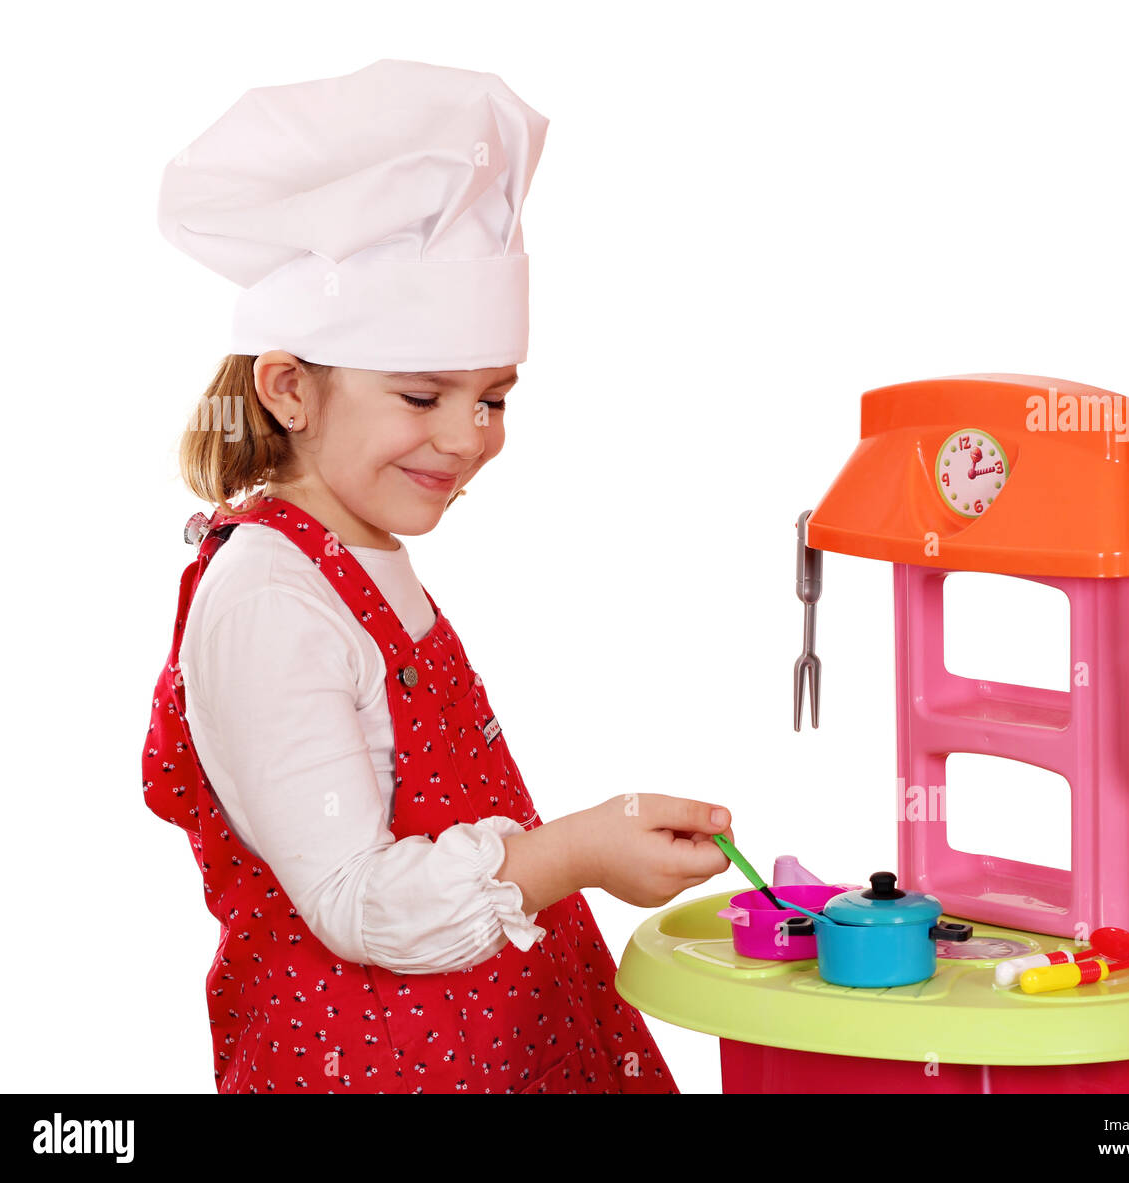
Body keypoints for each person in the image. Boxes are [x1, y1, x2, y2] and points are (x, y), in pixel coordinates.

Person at [142, 59, 731, 1094]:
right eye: (422, 395)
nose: (468, 437)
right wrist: (577, 853)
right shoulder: (270, 601)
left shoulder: (361, 559)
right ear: (288, 388)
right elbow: (355, 900)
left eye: (493, 398)